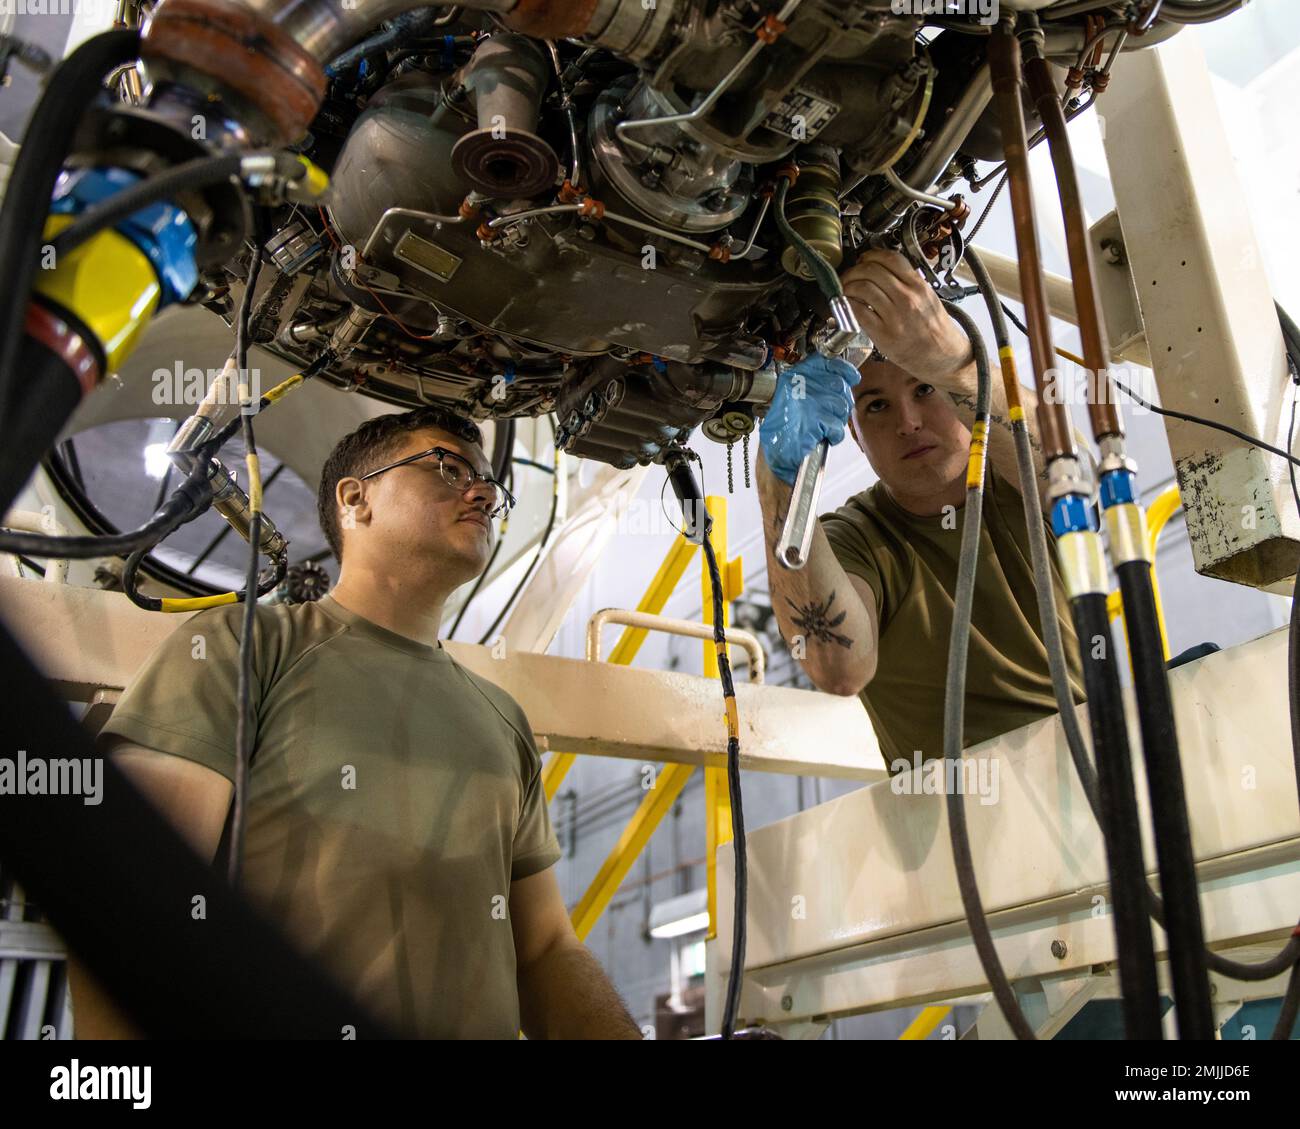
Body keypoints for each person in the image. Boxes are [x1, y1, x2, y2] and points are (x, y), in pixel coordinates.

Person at [70, 405, 642, 1040]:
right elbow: (135, 894)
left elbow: (545, 953)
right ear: (355, 499)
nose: (480, 491)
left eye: (488, 482)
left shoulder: (503, 718)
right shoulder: (241, 648)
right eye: (447, 468)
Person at [756, 249, 1085, 769]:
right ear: (858, 440)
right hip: (961, 812)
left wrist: (956, 363)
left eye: (924, 388)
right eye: (876, 406)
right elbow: (838, 667)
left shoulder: (1011, 481)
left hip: (1096, 756)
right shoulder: (853, 537)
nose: (907, 421)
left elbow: (1076, 480)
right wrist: (776, 476)